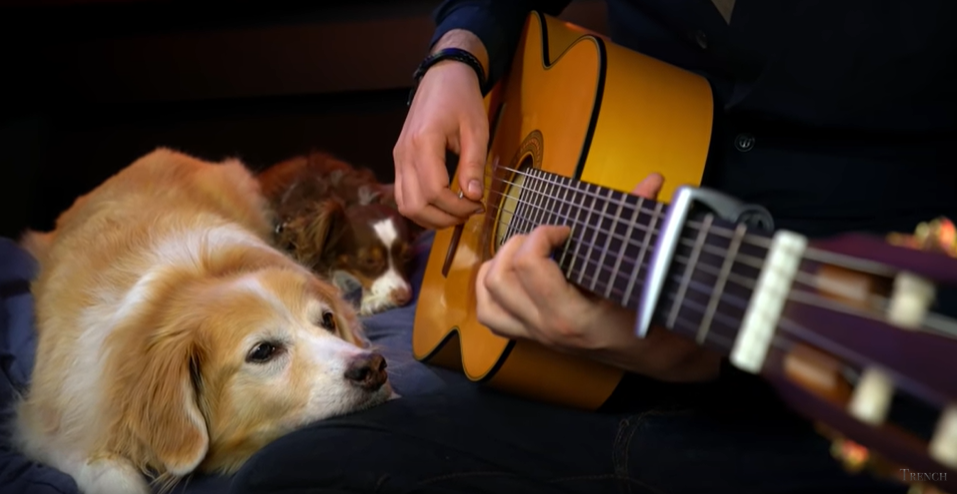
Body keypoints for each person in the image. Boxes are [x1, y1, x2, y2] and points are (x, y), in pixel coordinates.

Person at [230, 2, 955, 493]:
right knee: (291, 475)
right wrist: (457, 54)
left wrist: (704, 354)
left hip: (839, 414)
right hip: (600, 356)